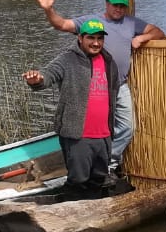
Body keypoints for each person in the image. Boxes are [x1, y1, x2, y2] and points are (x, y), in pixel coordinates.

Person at [35, 0, 165, 179]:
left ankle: (108, 164)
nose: (118, 9)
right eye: (115, 5)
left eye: (122, 6)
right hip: (92, 86)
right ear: (107, 3)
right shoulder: (91, 21)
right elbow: (61, 25)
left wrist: (142, 38)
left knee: (127, 128)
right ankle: (83, 166)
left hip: (119, 86)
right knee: (86, 127)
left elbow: (158, 31)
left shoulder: (131, 23)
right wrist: (48, 10)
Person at [23, 19, 120, 200]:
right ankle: (71, 213)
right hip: (78, 135)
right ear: (80, 38)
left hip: (104, 134)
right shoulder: (67, 59)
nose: (96, 43)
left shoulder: (108, 61)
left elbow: (113, 91)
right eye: (91, 38)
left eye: (100, 38)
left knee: (99, 178)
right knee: (78, 180)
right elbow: (49, 74)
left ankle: (95, 213)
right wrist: (37, 79)